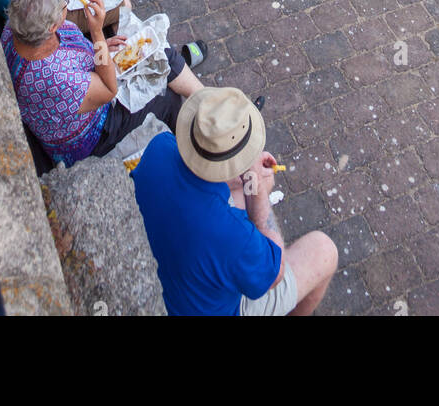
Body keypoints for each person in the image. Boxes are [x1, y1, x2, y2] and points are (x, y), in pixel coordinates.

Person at [133, 86, 338, 317]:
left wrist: (248, 178)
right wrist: (259, 193)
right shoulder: (235, 238)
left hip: (161, 275)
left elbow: (201, 183)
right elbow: (274, 273)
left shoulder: (160, 147)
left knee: (238, 196)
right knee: (324, 250)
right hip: (207, 309)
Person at [2, 0, 206, 165]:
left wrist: (100, 47)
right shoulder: (58, 78)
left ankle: (207, 103)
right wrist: (97, 33)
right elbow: (109, 90)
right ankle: (198, 154)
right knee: (167, 97)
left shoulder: (14, 28)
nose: (67, 5)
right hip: (90, 136)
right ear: (51, 27)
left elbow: (70, 55)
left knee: (160, 55)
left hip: (84, 79)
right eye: (64, 4)